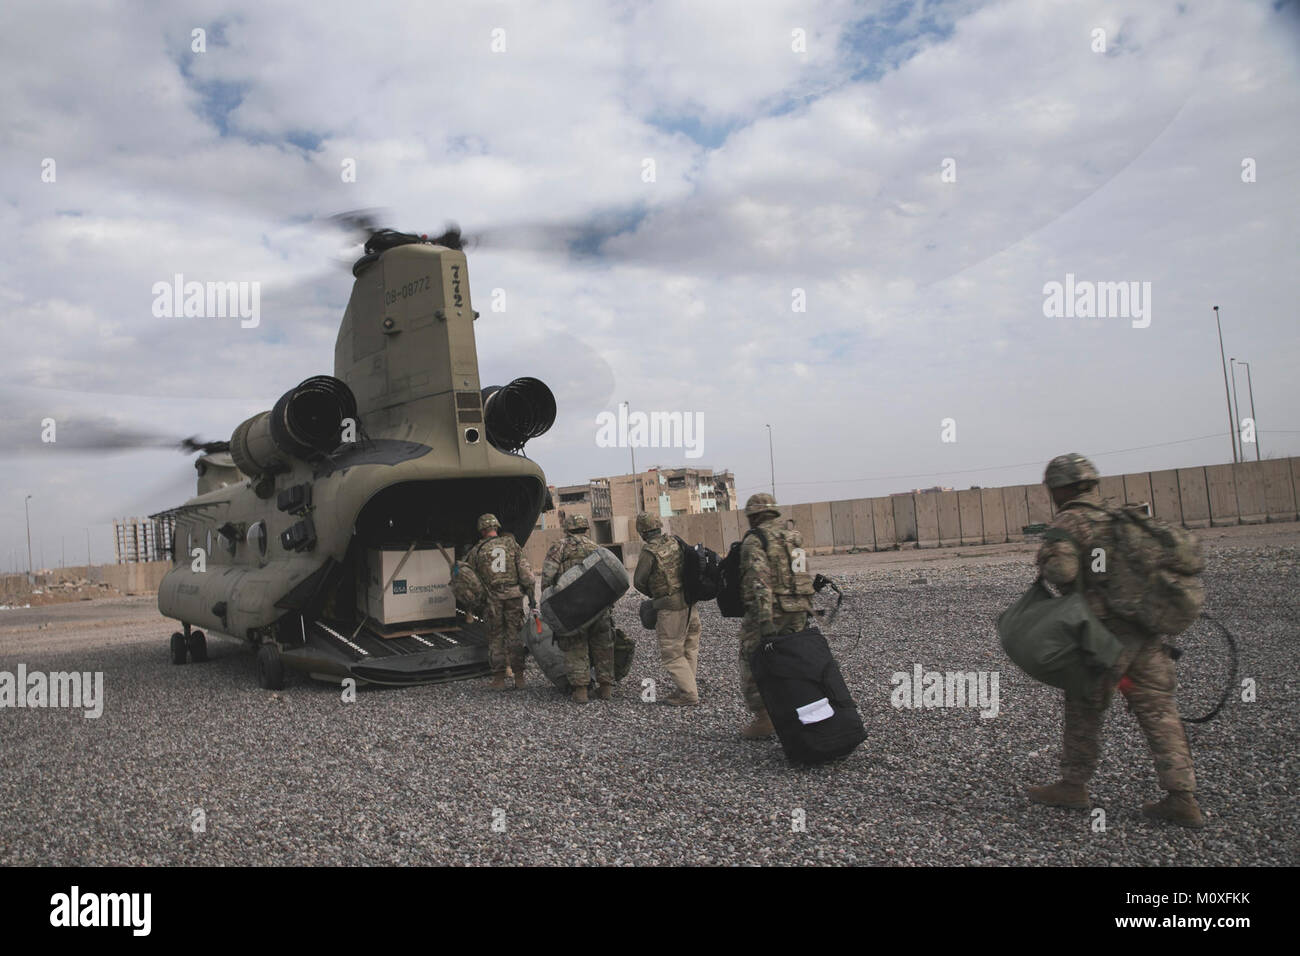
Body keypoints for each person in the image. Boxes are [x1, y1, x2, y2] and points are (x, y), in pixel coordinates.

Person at [1028, 453, 1204, 827]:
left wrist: (1049, 561)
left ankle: (1073, 785)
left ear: (1060, 489)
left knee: (1083, 707)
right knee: (1158, 709)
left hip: (1104, 635)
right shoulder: (1121, 516)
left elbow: (1062, 570)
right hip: (1145, 629)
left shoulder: (1072, 521)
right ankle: (1182, 796)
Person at [737, 493, 813, 739]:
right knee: (795, 661)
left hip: (773, 610)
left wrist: (765, 620)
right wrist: (805, 606)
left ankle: (764, 718)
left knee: (752, 659)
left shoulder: (755, 540)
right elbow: (802, 575)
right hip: (798, 609)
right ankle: (804, 712)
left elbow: (760, 582)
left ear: (753, 516)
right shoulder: (794, 537)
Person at [541, 514, 615, 703]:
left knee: (575, 647)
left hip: (573, 607)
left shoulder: (560, 547)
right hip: (599, 605)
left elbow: (548, 578)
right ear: (585, 528)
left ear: (567, 529)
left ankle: (581, 691)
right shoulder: (596, 548)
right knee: (603, 646)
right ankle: (605, 689)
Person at [633, 511, 701, 705]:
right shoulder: (675, 542)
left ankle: (689, 694)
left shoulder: (649, 551)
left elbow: (638, 581)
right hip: (690, 603)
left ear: (642, 532)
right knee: (690, 646)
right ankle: (687, 686)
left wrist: (656, 595)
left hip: (670, 607)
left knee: (671, 653)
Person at [464, 513, 534, 690]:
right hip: (513, 597)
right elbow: (525, 573)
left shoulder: (476, 551)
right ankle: (519, 678)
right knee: (515, 636)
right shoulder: (511, 545)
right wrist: (531, 595)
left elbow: (470, 580)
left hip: (492, 600)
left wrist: (473, 605)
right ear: (496, 527)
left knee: (496, 638)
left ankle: (499, 679)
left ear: (481, 530)